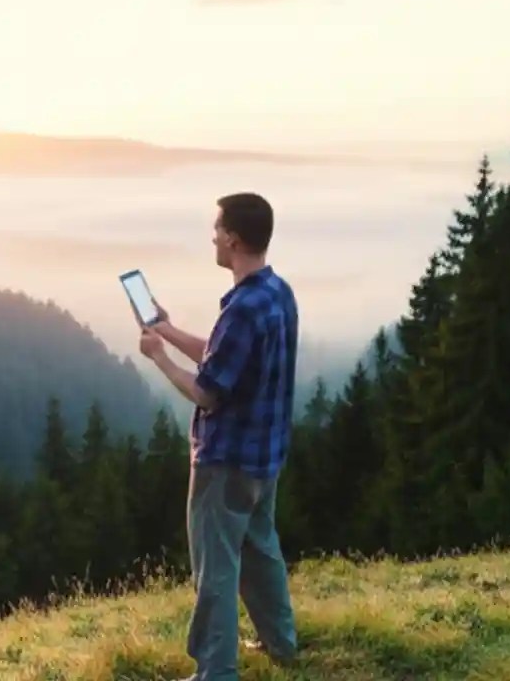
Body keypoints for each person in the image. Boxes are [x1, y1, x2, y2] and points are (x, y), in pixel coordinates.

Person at [137, 191, 299, 680]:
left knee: (216, 570)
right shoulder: (277, 294)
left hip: (225, 461)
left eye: (217, 229)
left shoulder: (242, 308)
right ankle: (281, 643)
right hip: (265, 458)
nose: (213, 237)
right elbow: (223, 354)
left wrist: (159, 359)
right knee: (261, 550)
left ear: (234, 238)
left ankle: (216, 672)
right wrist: (167, 330)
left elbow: (207, 392)